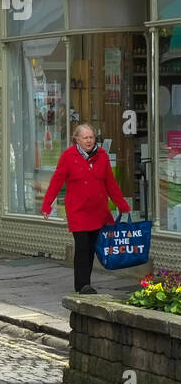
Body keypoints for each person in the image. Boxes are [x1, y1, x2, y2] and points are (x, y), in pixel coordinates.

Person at [41, 123, 130, 294]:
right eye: (85, 138)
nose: (89, 141)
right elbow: (56, 182)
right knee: (82, 247)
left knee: (91, 248)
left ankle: (84, 283)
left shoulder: (102, 156)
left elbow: (110, 183)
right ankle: (82, 285)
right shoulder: (68, 156)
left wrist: (122, 205)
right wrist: (47, 204)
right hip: (78, 210)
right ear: (77, 139)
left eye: (91, 137)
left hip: (97, 210)